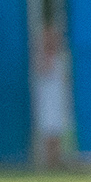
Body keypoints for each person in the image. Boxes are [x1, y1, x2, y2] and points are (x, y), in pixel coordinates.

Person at [33, 25, 70, 172]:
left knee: (58, 129)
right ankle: (49, 161)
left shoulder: (60, 57)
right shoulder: (43, 58)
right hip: (48, 99)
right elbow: (44, 72)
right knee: (49, 128)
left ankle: (57, 158)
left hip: (58, 97)